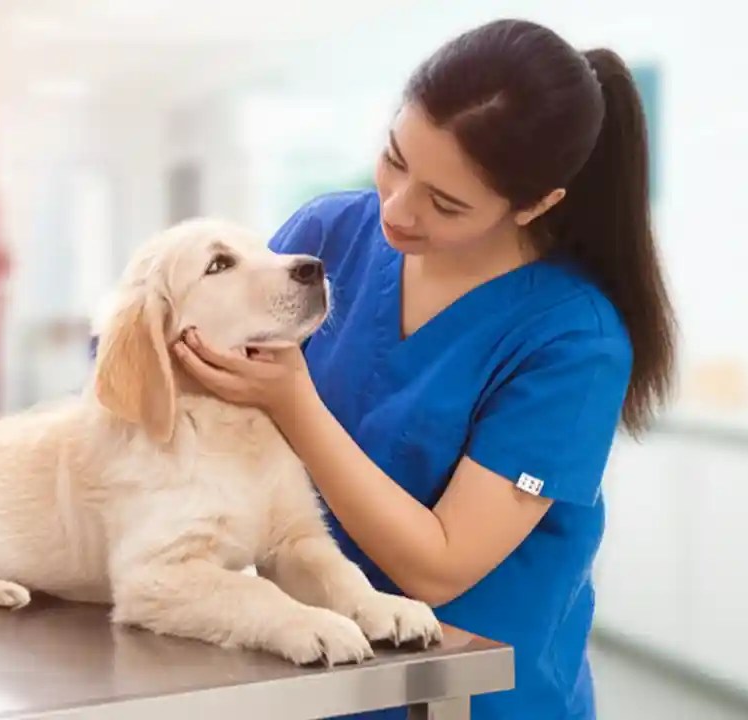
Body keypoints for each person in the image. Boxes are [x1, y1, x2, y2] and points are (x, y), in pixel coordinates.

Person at [172, 18, 676, 720]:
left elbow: (439, 567)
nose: (398, 208)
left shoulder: (573, 343)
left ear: (536, 204)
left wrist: (293, 402)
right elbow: (184, 378)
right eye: (395, 158)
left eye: (445, 203)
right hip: (307, 675)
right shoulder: (328, 235)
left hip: (469, 696)